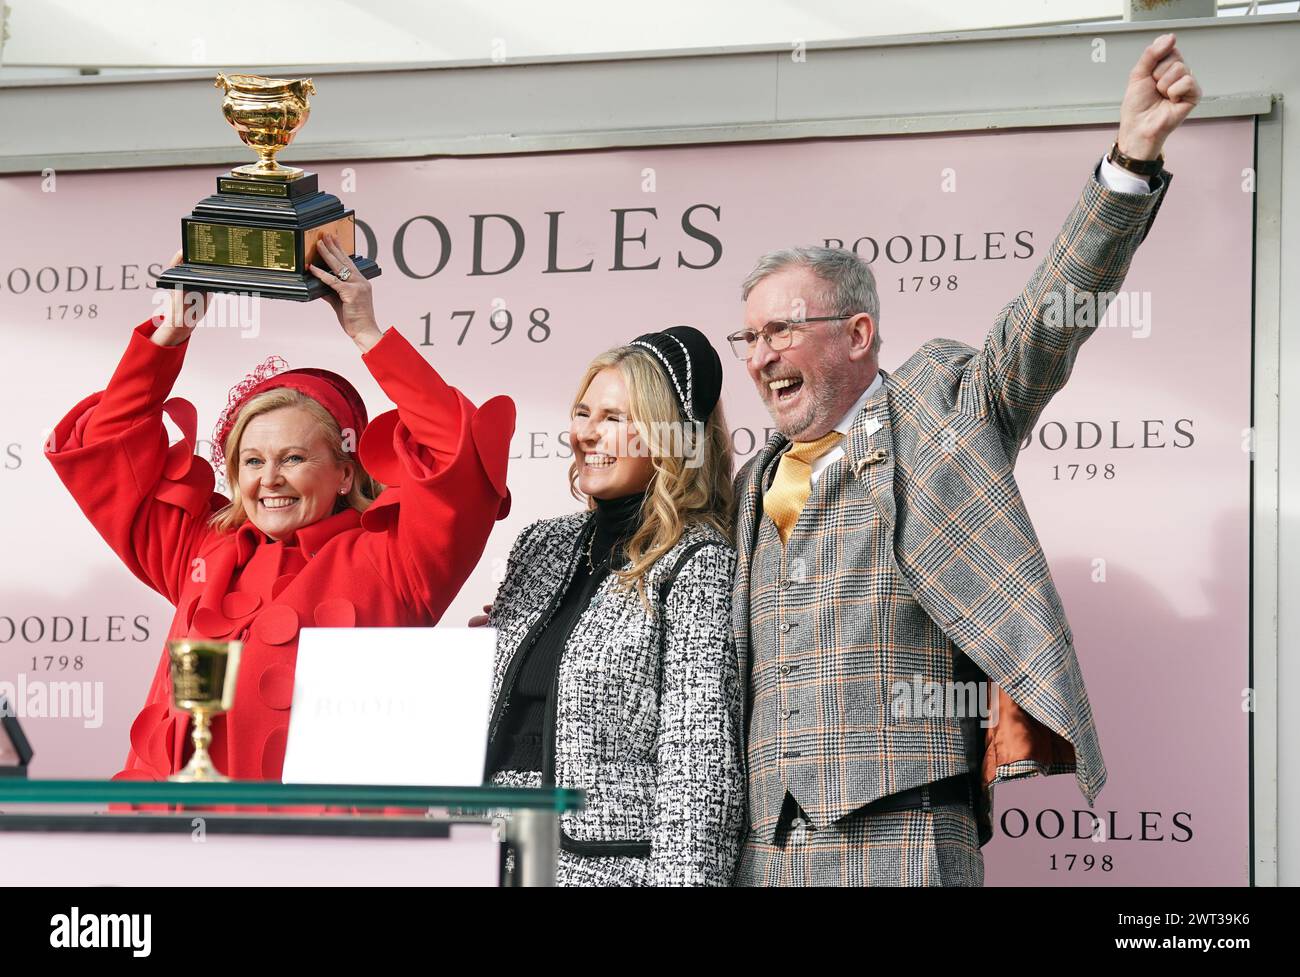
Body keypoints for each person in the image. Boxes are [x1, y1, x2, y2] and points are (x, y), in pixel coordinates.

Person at [726, 34, 1201, 885]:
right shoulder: (750, 481)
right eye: (750, 337)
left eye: (782, 330)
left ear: (858, 334)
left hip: (907, 835)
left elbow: (1046, 320)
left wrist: (1130, 161)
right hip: (766, 850)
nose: (761, 356)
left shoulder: (945, 409)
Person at [45, 235, 514, 782]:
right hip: (176, 825)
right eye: (252, 461)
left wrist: (367, 333)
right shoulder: (200, 547)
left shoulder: (397, 559)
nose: (269, 480)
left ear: (345, 472)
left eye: (293, 458)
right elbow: (105, 450)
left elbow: (459, 453)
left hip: (323, 833)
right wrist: (172, 330)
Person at [481, 326, 744, 885]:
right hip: (483, 851)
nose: (587, 433)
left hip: (601, 867)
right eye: (582, 413)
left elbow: (699, 766)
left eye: (614, 418)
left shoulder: (697, 561)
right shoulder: (540, 544)